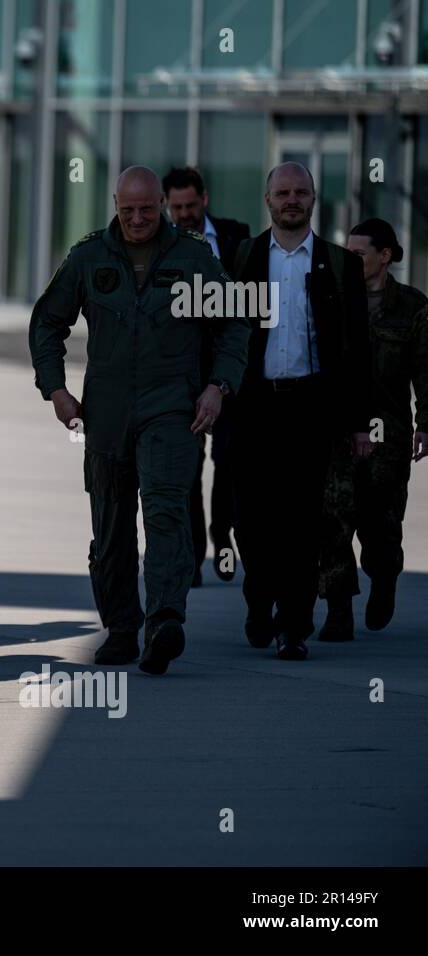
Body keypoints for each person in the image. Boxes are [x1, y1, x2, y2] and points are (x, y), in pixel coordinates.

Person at [29, 166, 249, 675]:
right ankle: (123, 629)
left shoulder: (194, 257)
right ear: (115, 204)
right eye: (126, 210)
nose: (136, 219)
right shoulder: (89, 256)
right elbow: (47, 322)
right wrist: (56, 390)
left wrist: (218, 386)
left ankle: (165, 621)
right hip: (105, 411)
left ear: (162, 207)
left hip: (172, 406)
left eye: (146, 210)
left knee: (167, 512)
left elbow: (233, 325)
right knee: (109, 526)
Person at [229, 162, 372, 661]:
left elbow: (359, 351)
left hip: (312, 406)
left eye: (301, 193)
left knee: (304, 522)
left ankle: (293, 626)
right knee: (250, 520)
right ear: (267, 199)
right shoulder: (242, 258)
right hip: (254, 407)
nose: (292, 200)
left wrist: (359, 423)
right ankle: (257, 601)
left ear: (314, 200)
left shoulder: (339, 265)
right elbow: (220, 336)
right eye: (283, 192)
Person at [317, 218, 428, 640]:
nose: (351, 259)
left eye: (359, 253)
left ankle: (384, 580)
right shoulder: (333, 300)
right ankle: (338, 609)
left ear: (385, 256)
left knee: (380, 524)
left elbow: (426, 371)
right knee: (332, 519)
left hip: (388, 431)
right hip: (339, 428)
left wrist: (426, 424)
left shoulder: (412, 308)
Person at [162, 166, 250, 585]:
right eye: (176, 207)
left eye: (190, 205)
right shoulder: (160, 246)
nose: (183, 214)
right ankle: (194, 554)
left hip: (230, 372)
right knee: (188, 467)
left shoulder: (237, 237)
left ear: (205, 200)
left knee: (229, 459)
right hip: (184, 373)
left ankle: (222, 533)